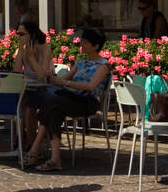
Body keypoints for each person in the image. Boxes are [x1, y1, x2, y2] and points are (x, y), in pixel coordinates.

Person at [23, 28, 111, 172]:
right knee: (55, 108)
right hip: (71, 99)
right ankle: (54, 159)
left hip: (87, 102)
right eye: (82, 41)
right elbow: (62, 79)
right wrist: (53, 78)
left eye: (86, 42)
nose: (82, 44)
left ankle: (35, 149)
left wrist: (65, 83)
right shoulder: (80, 62)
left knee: (52, 102)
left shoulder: (103, 65)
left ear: (95, 46)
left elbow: (90, 87)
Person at [13, 19, 51, 151]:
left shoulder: (45, 49)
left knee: (29, 107)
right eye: (18, 34)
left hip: (42, 88)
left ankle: (30, 143)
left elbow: (42, 76)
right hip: (26, 88)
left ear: (32, 35)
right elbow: (17, 71)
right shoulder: (22, 49)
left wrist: (31, 58)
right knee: (18, 101)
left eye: (22, 34)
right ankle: (21, 135)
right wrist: (20, 51)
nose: (19, 37)